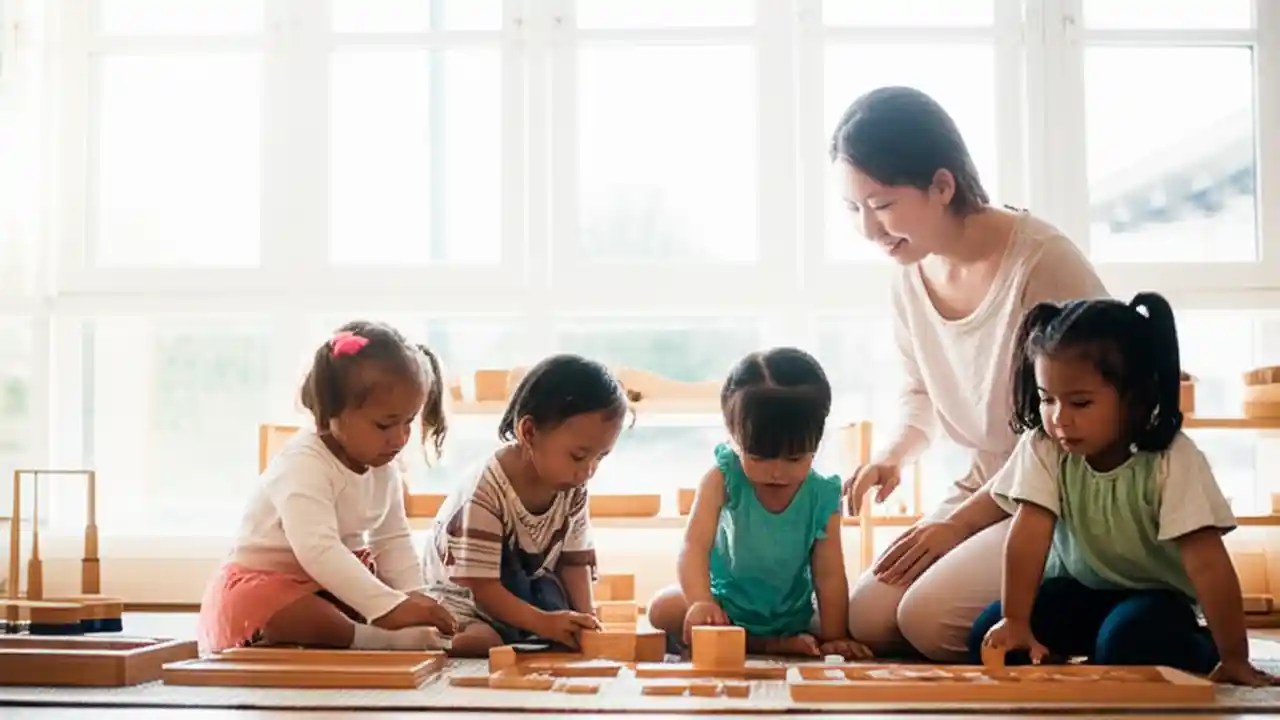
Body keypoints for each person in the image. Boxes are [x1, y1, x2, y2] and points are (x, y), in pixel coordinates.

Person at [831, 86, 1108, 660]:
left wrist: (958, 528)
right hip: (987, 482)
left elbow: (1086, 420)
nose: (868, 229)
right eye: (853, 209)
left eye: (880, 206)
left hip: (1060, 492)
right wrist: (893, 455)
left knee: (927, 623)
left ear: (941, 185)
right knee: (869, 618)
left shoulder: (1041, 261)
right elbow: (920, 392)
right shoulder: (909, 269)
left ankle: (1095, 591)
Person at [971, 292, 1275, 687]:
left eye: (1080, 403)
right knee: (987, 636)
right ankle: (1068, 653)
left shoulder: (1171, 458)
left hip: (1151, 598)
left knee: (1129, 647)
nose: (1059, 418)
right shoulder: (1044, 447)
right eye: (1047, 399)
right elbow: (1029, 532)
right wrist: (1015, 619)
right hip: (1076, 591)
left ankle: (1201, 646)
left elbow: (1207, 561)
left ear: (1137, 398)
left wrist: (1235, 656)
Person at [197, 320, 456, 653]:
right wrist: (389, 608)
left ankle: (356, 630)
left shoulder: (385, 467)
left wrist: (416, 599)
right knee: (305, 616)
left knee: (358, 594)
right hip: (269, 584)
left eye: (408, 421)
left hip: (327, 580)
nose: (400, 438)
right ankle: (373, 641)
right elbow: (318, 550)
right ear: (330, 416)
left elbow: (391, 540)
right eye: (385, 424)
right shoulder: (303, 464)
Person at [647, 348, 872, 660]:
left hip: (791, 613)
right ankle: (763, 645)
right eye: (759, 457)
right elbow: (693, 548)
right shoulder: (721, 479)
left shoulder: (821, 494)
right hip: (726, 608)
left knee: (855, 620)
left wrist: (837, 637)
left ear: (817, 441)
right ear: (734, 437)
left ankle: (771, 641)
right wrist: (702, 602)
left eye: (794, 458)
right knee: (662, 608)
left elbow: (829, 573)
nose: (777, 472)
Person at [423, 354, 629, 657]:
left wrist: (588, 619)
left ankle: (527, 630)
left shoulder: (572, 486)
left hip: (524, 592)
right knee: (483, 642)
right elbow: (482, 587)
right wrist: (543, 623)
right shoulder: (485, 491)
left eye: (600, 457)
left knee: (566, 629)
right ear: (529, 432)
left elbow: (573, 563)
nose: (588, 471)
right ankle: (427, 638)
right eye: (578, 456)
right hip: (465, 600)